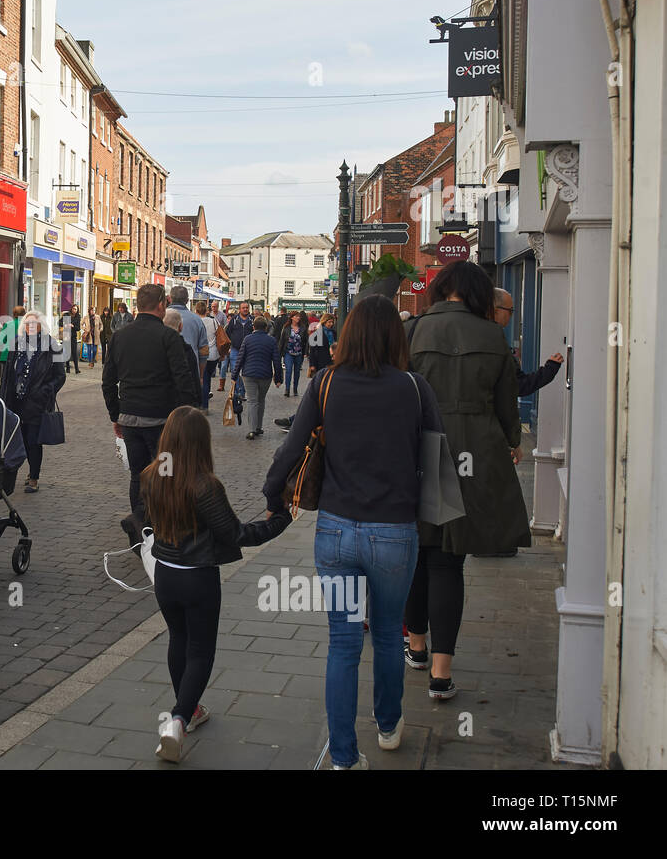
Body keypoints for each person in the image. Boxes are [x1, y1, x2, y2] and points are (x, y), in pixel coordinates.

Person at [263, 294, 441, 769]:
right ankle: (388, 725)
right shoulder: (415, 388)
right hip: (394, 533)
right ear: (394, 337)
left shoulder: (325, 383)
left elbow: (291, 448)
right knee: (386, 634)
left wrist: (271, 495)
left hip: (337, 532)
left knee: (342, 641)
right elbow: (437, 461)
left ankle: (343, 757)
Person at [406, 261, 530, 700]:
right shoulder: (492, 336)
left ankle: (416, 646)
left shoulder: (414, 331)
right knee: (448, 559)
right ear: (477, 292)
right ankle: (441, 673)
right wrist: (513, 441)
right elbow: (507, 402)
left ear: (440, 290)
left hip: (420, 446)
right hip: (472, 451)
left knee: (419, 551)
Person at [144, 407, 290, 762]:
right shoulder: (205, 485)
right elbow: (236, 534)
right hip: (197, 576)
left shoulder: (152, 476)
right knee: (200, 649)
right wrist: (279, 521)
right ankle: (179, 719)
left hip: (164, 573)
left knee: (178, 638)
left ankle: (188, 711)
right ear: (200, 443)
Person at [102, 283, 200, 511]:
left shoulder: (119, 337)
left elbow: (108, 382)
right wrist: (188, 415)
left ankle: (139, 524)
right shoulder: (169, 337)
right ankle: (161, 525)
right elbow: (183, 380)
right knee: (165, 473)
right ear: (161, 306)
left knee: (138, 475)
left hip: (130, 420)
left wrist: (115, 414)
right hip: (162, 424)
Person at [4, 313, 64, 493]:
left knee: (33, 440)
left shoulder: (51, 345)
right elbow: (8, 371)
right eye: (27, 322)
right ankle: (27, 473)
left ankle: (34, 477)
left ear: (41, 325)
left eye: (35, 323)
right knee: (19, 439)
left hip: (37, 402)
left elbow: (60, 376)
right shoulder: (16, 343)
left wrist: (46, 390)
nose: (30, 325)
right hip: (16, 400)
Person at [493, 288, 564, 397]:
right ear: (495, 310)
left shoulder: (485, 337)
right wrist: (549, 369)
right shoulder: (493, 342)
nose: (511, 315)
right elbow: (519, 385)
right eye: (510, 310)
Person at [231, 316, 281, 439]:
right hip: (265, 375)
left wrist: (234, 375)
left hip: (249, 374)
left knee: (252, 400)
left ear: (253, 327)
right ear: (266, 328)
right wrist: (278, 378)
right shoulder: (271, 341)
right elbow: (277, 360)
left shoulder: (247, 339)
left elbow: (240, 358)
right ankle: (259, 426)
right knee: (261, 400)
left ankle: (252, 430)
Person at [166, 286, 209, 376]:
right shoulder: (197, 320)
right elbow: (204, 351)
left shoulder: (162, 316)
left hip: (165, 371)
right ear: (187, 300)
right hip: (190, 370)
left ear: (170, 298)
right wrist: (200, 375)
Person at [218, 302, 254, 393]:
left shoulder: (252, 320)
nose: (245, 309)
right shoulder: (234, 320)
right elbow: (228, 334)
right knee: (235, 371)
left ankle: (243, 391)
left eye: (246, 307)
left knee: (246, 372)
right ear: (240, 309)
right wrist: (229, 347)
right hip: (235, 349)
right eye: (243, 308)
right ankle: (238, 391)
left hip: (248, 350)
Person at [196, 300, 220, 411]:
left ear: (196, 310)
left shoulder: (196, 321)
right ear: (207, 310)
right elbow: (219, 334)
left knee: (203, 379)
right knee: (207, 377)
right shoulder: (214, 321)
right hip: (213, 354)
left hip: (201, 354)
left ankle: (204, 405)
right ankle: (207, 395)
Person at [278, 311, 307, 397]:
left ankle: (295, 389)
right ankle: (287, 389)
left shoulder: (302, 328)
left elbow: (305, 341)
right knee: (289, 370)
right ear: (292, 317)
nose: (298, 318)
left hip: (299, 353)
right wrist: (279, 353)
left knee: (297, 372)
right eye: (296, 316)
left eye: (299, 316)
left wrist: (306, 352)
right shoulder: (286, 328)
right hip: (288, 352)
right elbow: (282, 340)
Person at [59, 306, 82, 375]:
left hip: (73, 336)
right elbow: (59, 323)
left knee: (74, 352)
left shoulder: (78, 317)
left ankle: (77, 369)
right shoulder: (66, 315)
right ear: (71, 309)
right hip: (66, 335)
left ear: (77, 310)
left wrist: (73, 326)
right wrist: (65, 324)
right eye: (73, 309)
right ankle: (68, 368)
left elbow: (78, 328)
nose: (74, 310)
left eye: (76, 309)